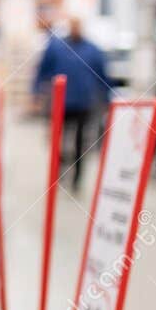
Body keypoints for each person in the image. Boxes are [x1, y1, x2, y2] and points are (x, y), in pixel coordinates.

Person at [33, 15, 113, 191]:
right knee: (57, 140)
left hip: (84, 104)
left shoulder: (93, 50)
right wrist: (36, 92)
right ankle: (60, 171)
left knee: (80, 143)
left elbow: (103, 76)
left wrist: (108, 100)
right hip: (59, 103)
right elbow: (42, 70)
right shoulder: (56, 47)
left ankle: (77, 179)